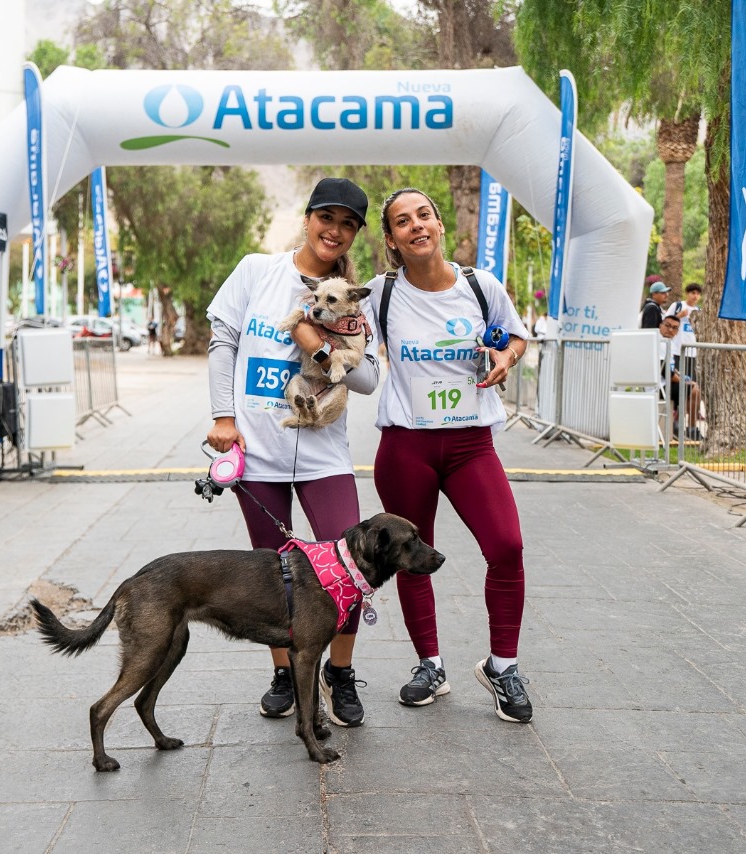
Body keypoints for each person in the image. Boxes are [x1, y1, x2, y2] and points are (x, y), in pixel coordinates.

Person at [204, 177, 380, 728]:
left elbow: (369, 380)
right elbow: (223, 342)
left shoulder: (349, 301)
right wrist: (223, 417)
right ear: (308, 218)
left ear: (353, 236)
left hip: (325, 454)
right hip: (259, 450)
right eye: (328, 218)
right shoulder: (257, 271)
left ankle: (340, 674)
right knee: (273, 574)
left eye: (348, 224)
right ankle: (285, 673)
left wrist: (320, 344)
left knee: (352, 567)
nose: (336, 230)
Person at [367, 187, 534, 723]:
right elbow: (330, 321)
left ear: (440, 226)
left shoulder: (480, 285)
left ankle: (502, 666)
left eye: (423, 216)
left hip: (470, 444)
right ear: (392, 240)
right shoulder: (380, 294)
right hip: (406, 446)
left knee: (506, 545)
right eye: (401, 222)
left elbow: (514, 338)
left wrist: (506, 357)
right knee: (413, 557)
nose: (415, 225)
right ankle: (429, 665)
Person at [657, 314, 702, 439]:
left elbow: (671, 369)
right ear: (660, 325)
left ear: (677, 332)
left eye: (674, 328)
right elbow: (666, 372)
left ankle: (678, 425)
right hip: (659, 387)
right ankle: (690, 429)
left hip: (665, 384)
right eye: (667, 326)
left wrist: (681, 376)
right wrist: (683, 380)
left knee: (691, 386)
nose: (670, 330)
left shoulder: (667, 343)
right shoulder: (659, 343)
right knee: (694, 390)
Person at [665, 282, 703, 380]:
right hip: (677, 350)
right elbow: (665, 322)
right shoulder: (678, 306)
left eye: (698, 294)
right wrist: (679, 316)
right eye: (693, 293)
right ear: (687, 293)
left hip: (692, 352)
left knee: (691, 381)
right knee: (678, 379)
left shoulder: (699, 310)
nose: (695, 296)